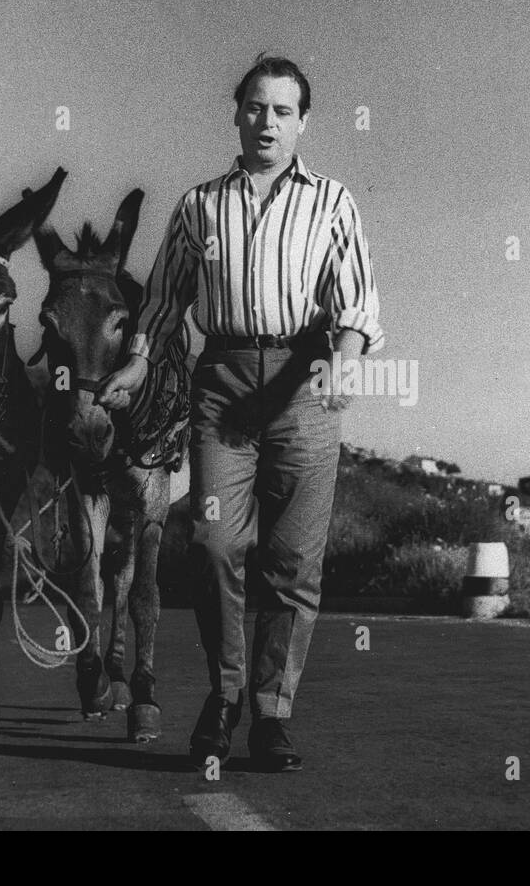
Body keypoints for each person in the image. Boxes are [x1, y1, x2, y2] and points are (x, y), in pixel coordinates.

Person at [98, 54, 383, 772]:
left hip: (304, 385)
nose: (267, 122)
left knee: (292, 561)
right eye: (255, 107)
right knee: (215, 544)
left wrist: (344, 359)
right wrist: (135, 362)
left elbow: (356, 301)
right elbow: (164, 302)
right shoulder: (199, 206)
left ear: (302, 123)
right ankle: (222, 697)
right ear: (236, 113)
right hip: (221, 384)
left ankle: (271, 712)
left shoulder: (334, 202)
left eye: (282, 111)